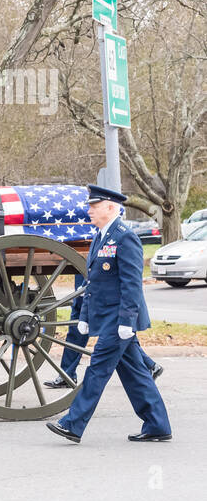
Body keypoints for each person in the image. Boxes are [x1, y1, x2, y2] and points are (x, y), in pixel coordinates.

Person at [46, 184, 172, 443]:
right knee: (135, 373)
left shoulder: (125, 237)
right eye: (90, 206)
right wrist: (83, 317)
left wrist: (127, 321)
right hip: (107, 320)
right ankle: (158, 424)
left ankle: (73, 423)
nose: (90, 210)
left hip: (119, 321)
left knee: (97, 371)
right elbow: (93, 284)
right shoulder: (100, 237)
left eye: (95, 206)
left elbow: (131, 284)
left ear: (111, 207)